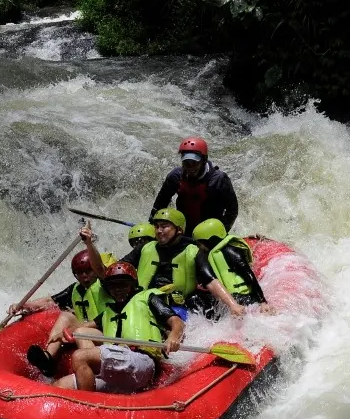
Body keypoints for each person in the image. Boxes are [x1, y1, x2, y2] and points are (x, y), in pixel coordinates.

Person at [53, 262, 185, 393]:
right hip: (117, 368)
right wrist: (63, 334)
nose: (117, 290)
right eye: (113, 287)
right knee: (60, 385)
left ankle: (89, 405)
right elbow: (83, 328)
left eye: (123, 285)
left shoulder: (147, 298)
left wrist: (172, 337)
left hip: (141, 361)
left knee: (80, 357)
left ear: (132, 285)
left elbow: (177, 322)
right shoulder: (108, 312)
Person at [100, 207, 248, 317]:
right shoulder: (145, 248)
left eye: (164, 226)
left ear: (179, 230)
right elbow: (115, 270)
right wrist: (89, 244)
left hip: (180, 306)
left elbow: (210, 280)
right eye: (156, 226)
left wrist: (233, 305)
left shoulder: (193, 250)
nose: (158, 231)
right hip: (144, 302)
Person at [9, 226, 111, 377]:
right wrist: (23, 305)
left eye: (88, 271)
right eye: (79, 273)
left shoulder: (106, 284)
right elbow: (50, 301)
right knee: (65, 316)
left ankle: (93, 372)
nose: (84, 277)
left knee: (80, 331)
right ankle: (48, 358)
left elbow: (101, 268)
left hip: (106, 333)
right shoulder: (75, 289)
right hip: (84, 332)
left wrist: (89, 243)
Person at [150, 136, 239, 236]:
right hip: (183, 232)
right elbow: (159, 205)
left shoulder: (219, 179)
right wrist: (154, 227)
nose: (190, 167)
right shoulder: (175, 176)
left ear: (204, 160)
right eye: (186, 163)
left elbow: (232, 211)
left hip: (209, 233)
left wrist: (220, 232)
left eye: (194, 163)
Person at [190, 218, 277, 316]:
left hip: (246, 297)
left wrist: (262, 302)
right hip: (235, 296)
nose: (200, 246)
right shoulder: (216, 253)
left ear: (210, 240)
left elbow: (248, 275)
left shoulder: (230, 251)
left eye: (200, 242)